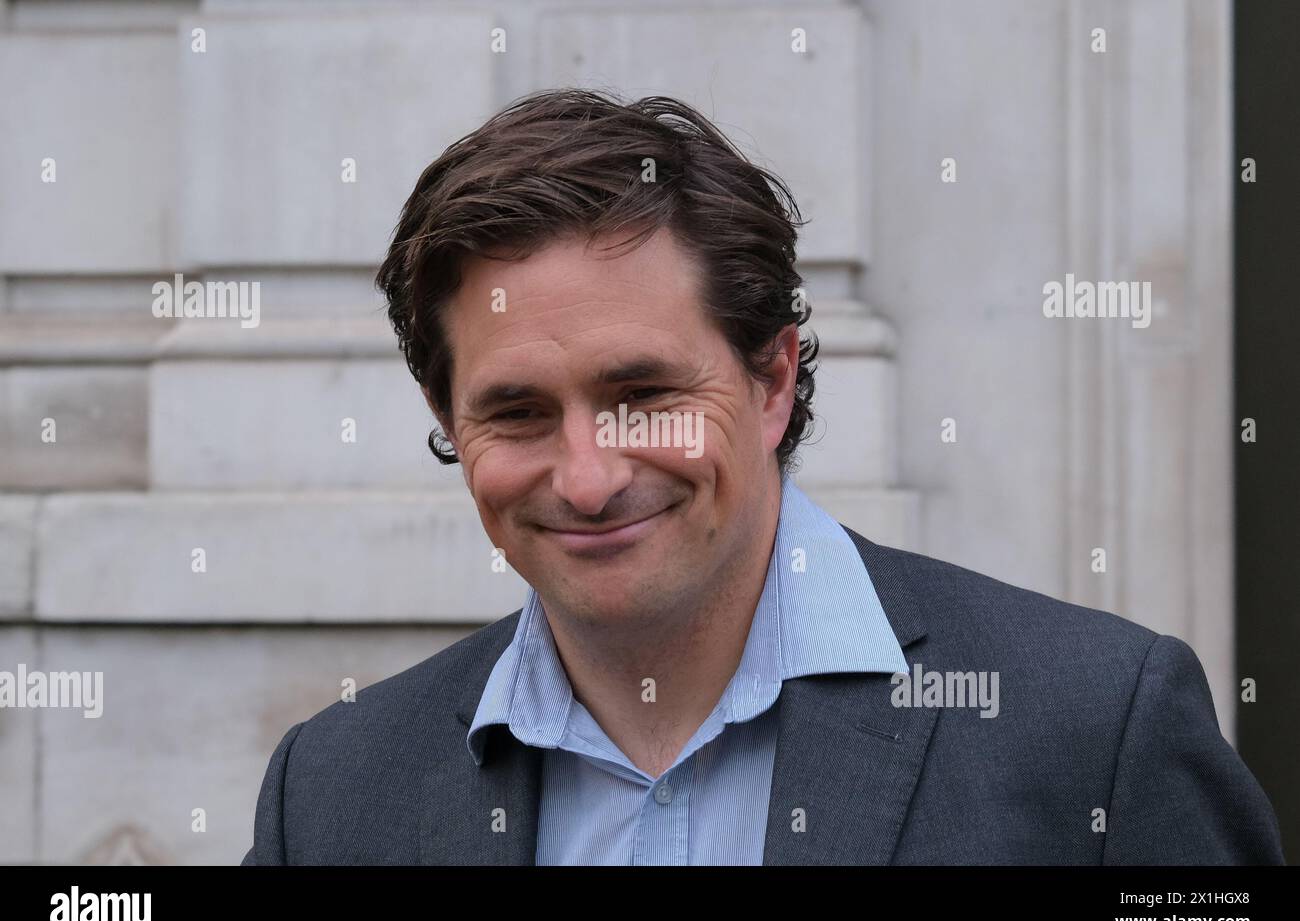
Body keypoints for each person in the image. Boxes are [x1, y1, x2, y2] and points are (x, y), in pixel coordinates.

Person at [241, 89, 1283, 865]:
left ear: (773, 377)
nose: (590, 476)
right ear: (447, 422)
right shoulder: (328, 796)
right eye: (516, 412)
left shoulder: (1096, 729)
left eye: (642, 391)